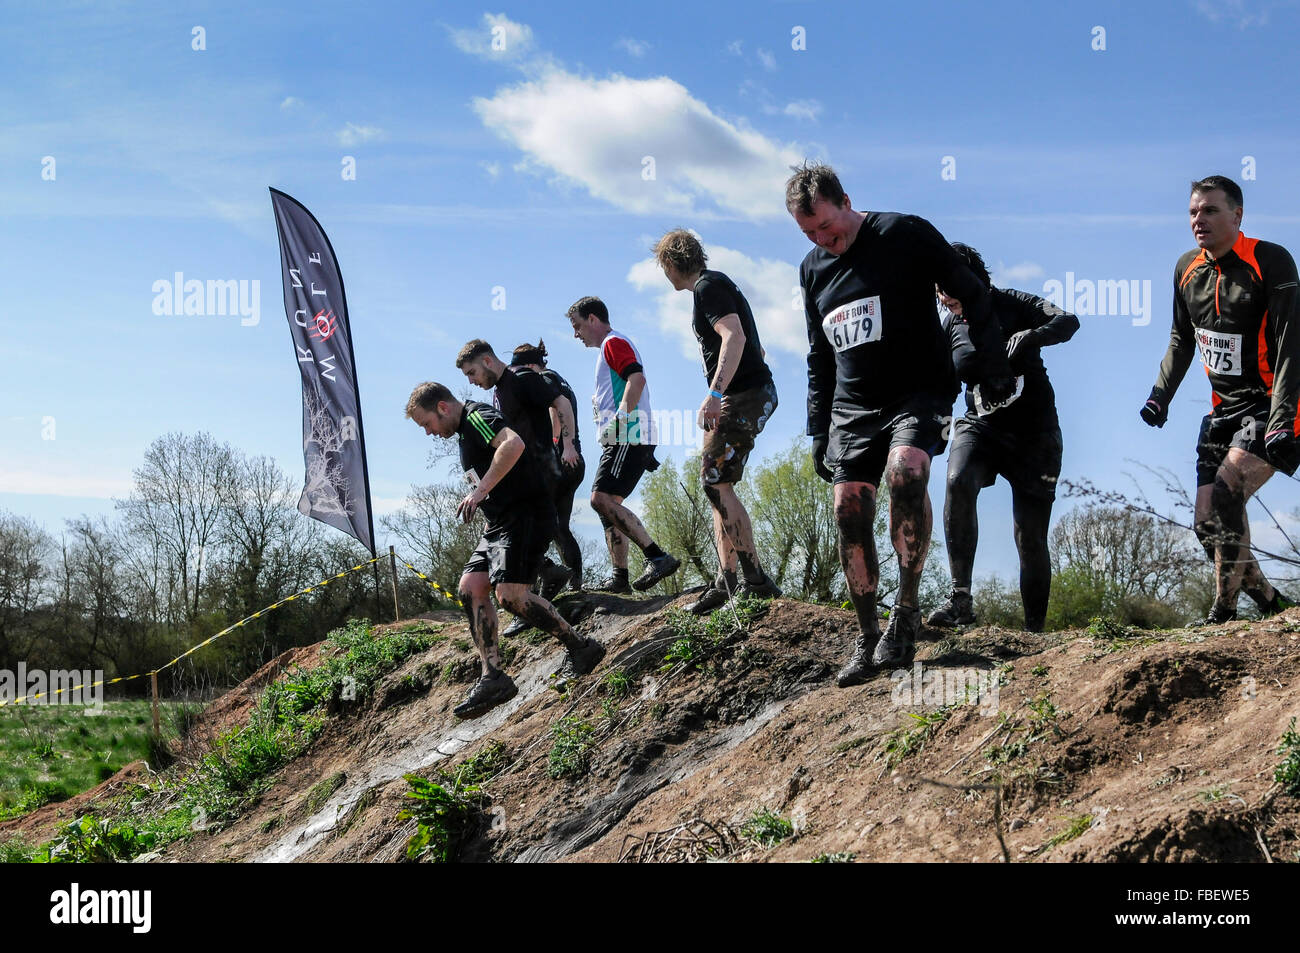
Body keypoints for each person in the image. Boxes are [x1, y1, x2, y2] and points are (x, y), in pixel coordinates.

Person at [786, 161, 1015, 686]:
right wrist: (817, 427)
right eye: (810, 233)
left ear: (845, 200)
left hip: (918, 390)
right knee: (848, 507)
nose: (824, 239)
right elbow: (819, 353)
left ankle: (905, 614)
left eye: (827, 225)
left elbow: (971, 290)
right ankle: (867, 638)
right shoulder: (812, 268)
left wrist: (994, 363)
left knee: (907, 471)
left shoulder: (904, 232)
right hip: (852, 406)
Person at [1140, 175, 1299, 624]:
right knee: (1208, 525)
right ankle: (1271, 603)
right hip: (1223, 411)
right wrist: (1160, 395)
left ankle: (1222, 612)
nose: (1198, 220)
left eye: (1210, 210)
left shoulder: (1271, 260)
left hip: (1275, 402)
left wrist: (1283, 419)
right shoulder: (1186, 268)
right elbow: (1181, 337)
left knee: (1230, 493)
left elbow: (1292, 345)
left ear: (1237, 215)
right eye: (1193, 211)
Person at [405, 382, 604, 717]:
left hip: (527, 515)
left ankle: (581, 647)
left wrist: (479, 492)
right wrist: (486, 505)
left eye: (426, 424)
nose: (428, 433)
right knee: (470, 588)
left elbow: (513, 444)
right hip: (499, 525)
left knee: (510, 595)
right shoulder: (465, 434)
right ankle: (493, 676)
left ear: (442, 407)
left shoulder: (476, 416)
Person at [926, 242, 1079, 633]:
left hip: (1035, 433)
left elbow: (1068, 321)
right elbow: (941, 382)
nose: (945, 298)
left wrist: (1030, 336)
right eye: (939, 291)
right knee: (958, 481)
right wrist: (937, 428)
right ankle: (960, 598)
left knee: (1029, 537)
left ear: (973, 279)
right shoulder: (949, 324)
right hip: (981, 428)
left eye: (950, 288)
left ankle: (1034, 634)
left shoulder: (1012, 301)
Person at [654, 228, 782, 612]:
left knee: (715, 480)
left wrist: (714, 393)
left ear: (671, 264)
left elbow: (736, 338)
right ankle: (726, 581)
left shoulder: (708, 287)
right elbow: (752, 343)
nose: (665, 276)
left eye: (664, 268)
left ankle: (754, 580)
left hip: (746, 394)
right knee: (714, 482)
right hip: (747, 392)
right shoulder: (716, 287)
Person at [456, 339, 578, 634]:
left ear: (486, 361)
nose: (472, 382)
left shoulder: (521, 379)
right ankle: (549, 574)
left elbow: (559, 402)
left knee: (527, 530)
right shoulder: (500, 391)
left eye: (472, 373)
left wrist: (568, 444)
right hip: (524, 471)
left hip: (542, 467)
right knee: (527, 530)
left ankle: (535, 594)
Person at [566, 295, 682, 592]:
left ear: (593, 319)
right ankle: (620, 579)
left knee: (599, 499)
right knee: (608, 504)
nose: (575, 334)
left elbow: (637, 380)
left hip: (628, 434)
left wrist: (620, 419)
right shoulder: (607, 349)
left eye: (578, 326)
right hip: (625, 436)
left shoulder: (612, 343)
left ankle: (656, 556)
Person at [511, 340, 585, 598]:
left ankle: (534, 583)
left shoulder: (547, 379)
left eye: (520, 371)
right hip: (574, 460)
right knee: (558, 526)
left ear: (531, 365)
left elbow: (558, 409)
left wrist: (562, 445)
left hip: (562, 458)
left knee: (536, 521)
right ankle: (575, 582)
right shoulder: (561, 378)